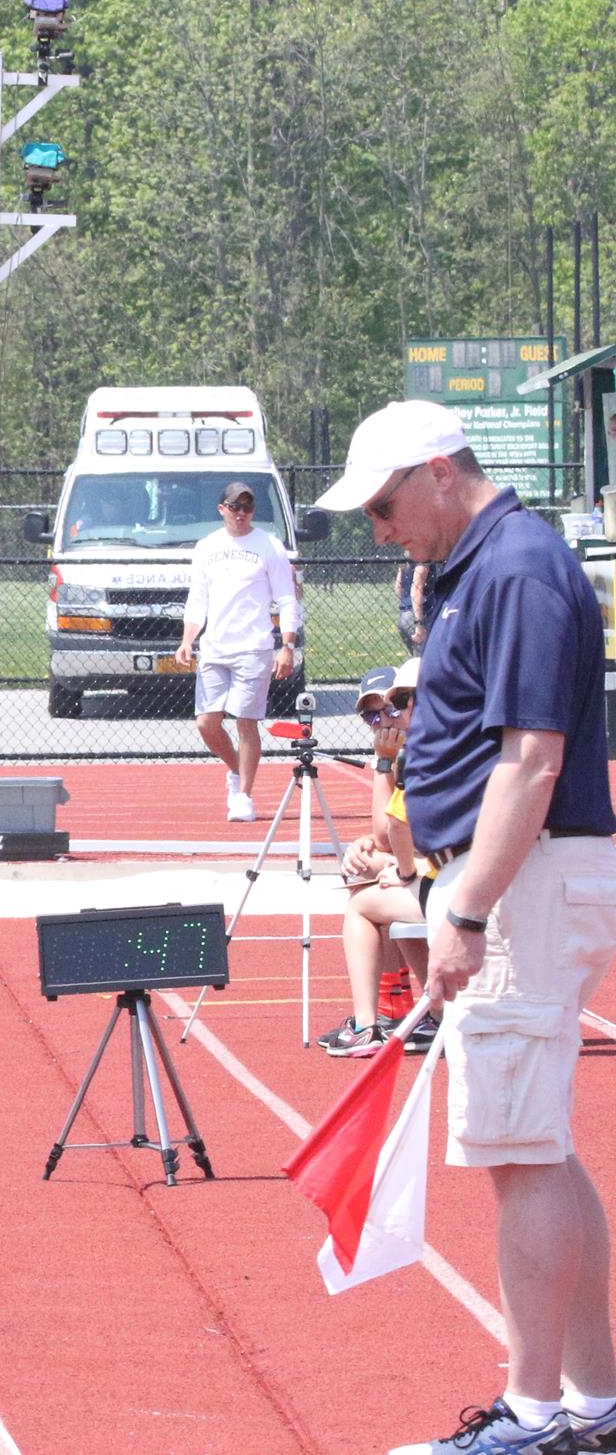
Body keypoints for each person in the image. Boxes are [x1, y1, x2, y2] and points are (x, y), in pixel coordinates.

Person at [318, 399, 616, 1455]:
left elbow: (528, 759)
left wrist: (467, 907)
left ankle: (534, 1416)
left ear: (439, 470)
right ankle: (590, 1405)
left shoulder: (514, 567)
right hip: (515, 877)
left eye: (385, 503)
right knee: (536, 1146)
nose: (378, 528)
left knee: (514, 1150)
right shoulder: (480, 565)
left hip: (521, 881)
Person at [319, 661, 430, 1058]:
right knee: (368, 868)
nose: (383, 718)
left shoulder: (419, 749)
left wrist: (384, 762)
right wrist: (373, 844)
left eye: (394, 705)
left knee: (367, 896)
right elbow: (388, 829)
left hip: (454, 874)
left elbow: (392, 831)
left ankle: (372, 1022)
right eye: (371, 714)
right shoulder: (416, 747)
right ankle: (404, 1005)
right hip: (443, 866)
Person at [173, 479, 301, 822]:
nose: (241, 514)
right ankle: (235, 770)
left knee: (246, 722)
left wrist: (286, 646)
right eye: (235, 507)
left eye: (247, 507)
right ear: (222, 510)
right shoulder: (207, 547)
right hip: (215, 647)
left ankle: (244, 795)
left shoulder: (269, 546)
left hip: (255, 647)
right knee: (206, 723)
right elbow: (197, 598)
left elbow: (287, 599)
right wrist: (188, 639)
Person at [396, 559, 432, 656]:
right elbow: (417, 588)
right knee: (423, 661)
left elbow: (398, 589)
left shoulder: (406, 559)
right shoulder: (425, 557)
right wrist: (419, 624)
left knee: (419, 658)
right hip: (419, 615)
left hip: (404, 615)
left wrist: (406, 601)